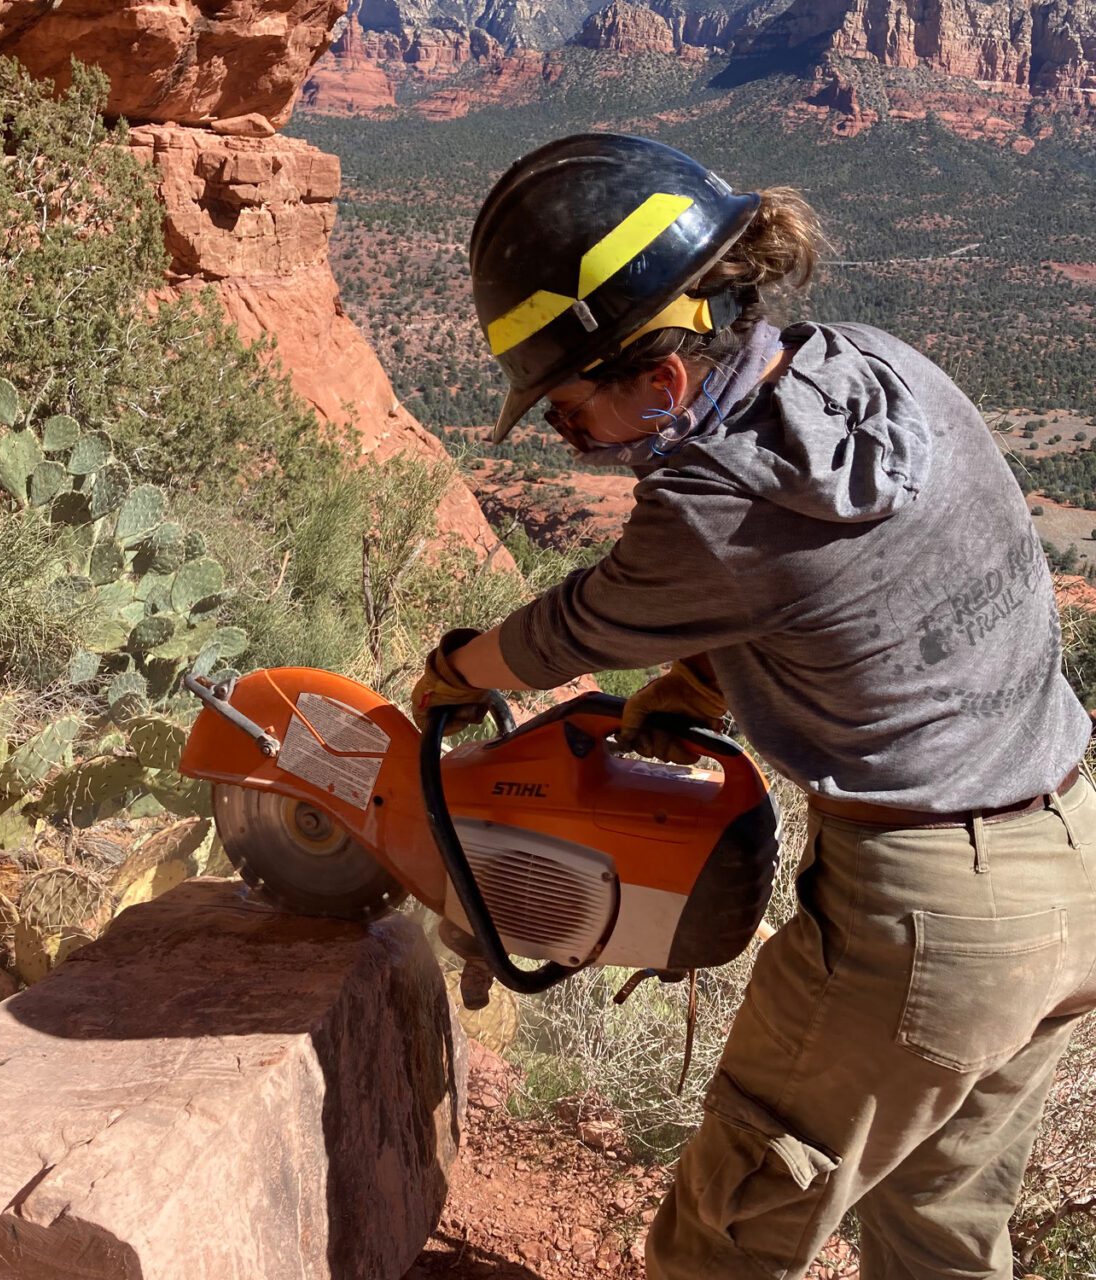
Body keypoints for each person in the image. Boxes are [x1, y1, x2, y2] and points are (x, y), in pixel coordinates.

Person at [409, 132, 1096, 1280]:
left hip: (928, 920)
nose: (572, 441)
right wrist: (704, 678)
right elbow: (856, 583)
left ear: (662, 382)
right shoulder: (876, 366)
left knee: (726, 1233)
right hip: (1069, 856)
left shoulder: (700, 506)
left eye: (568, 413)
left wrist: (454, 670)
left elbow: (569, 627)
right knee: (939, 1228)